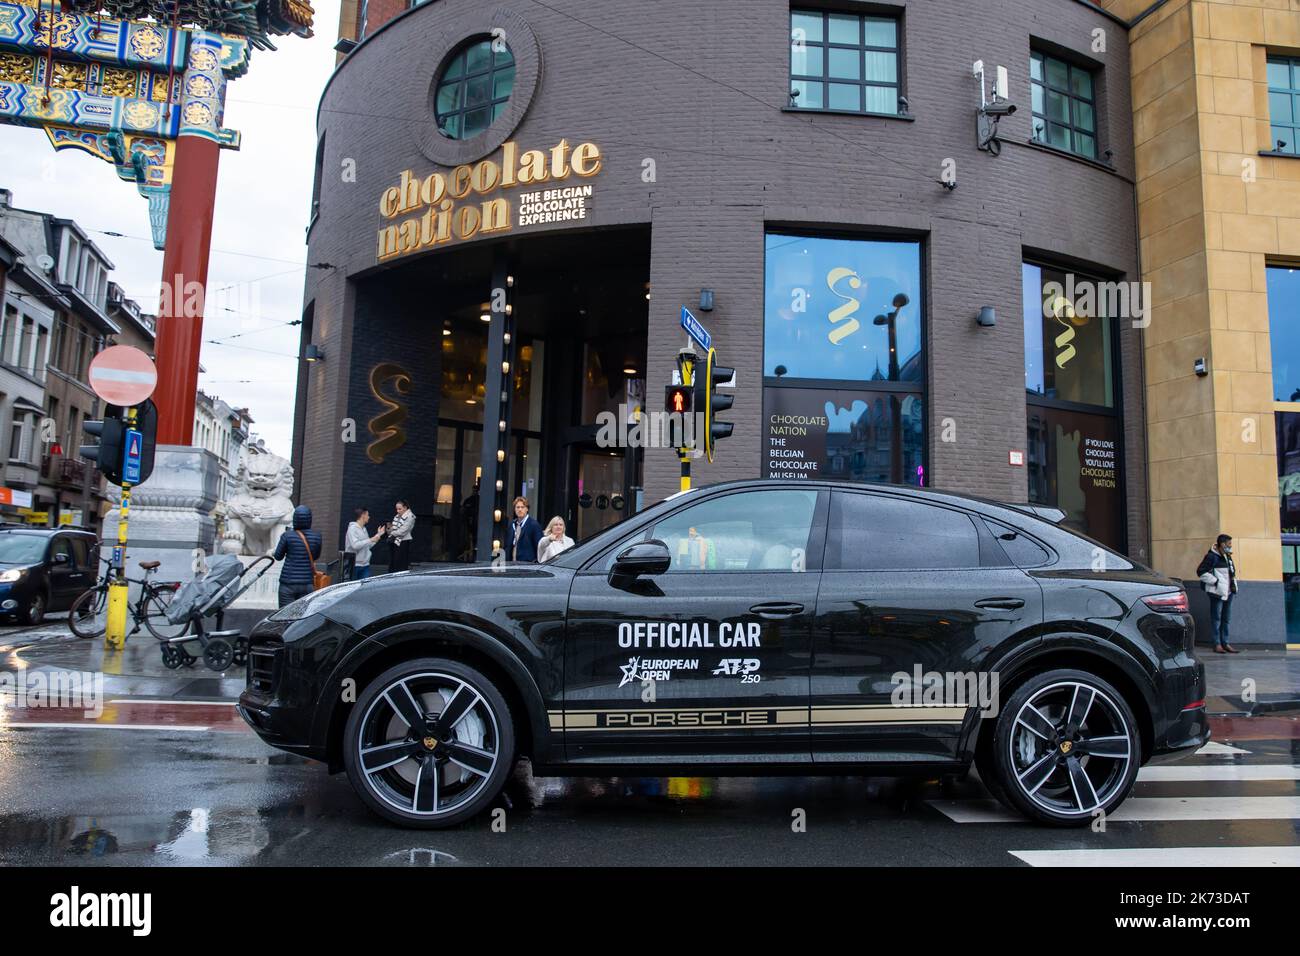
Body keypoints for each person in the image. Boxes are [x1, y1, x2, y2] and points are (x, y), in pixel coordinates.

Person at [1197, 533, 1239, 654]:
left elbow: (1231, 573)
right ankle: (1217, 644)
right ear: (1222, 544)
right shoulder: (1211, 557)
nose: (1230, 546)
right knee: (1216, 618)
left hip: (1229, 592)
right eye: (1229, 544)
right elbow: (1201, 572)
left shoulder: (1227, 556)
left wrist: (1233, 585)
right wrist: (1216, 582)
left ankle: (1225, 642)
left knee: (1226, 618)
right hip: (1217, 592)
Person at [273, 504, 322, 608]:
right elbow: (316, 556)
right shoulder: (317, 536)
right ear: (309, 519)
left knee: (284, 615)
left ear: (295, 519)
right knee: (302, 616)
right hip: (307, 583)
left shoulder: (287, 535)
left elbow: (278, 556)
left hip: (288, 583)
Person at [345, 507, 386, 580]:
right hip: (354, 565)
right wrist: (371, 539)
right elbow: (355, 545)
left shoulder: (364, 529)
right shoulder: (352, 529)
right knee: (353, 589)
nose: (369, 517)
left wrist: (378, 535)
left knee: (364, 589)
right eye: (368, 515)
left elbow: (368, 545)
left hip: (365, 565)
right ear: (362, 515)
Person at [507, 495, 543, 562]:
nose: (520, 509)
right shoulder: (512, 524)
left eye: (522, 507)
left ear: (527, 509)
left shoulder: (534, 525)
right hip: (512, 563)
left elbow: (540, 547)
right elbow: (508, 546)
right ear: (514, 509)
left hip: (527, 565)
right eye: (517, 507)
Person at [387, 499, 414, 573]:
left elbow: (403, 531)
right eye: (397, 509)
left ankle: (399, 580)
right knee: (393, 562)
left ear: (405, 508)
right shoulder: (397, 516)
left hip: (403, 542)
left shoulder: (410, 516)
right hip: (395, 541)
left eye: (399, 509)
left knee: (401, 563)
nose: (397, 511)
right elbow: (393, 527)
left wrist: (392, 532)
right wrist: (390, 529)